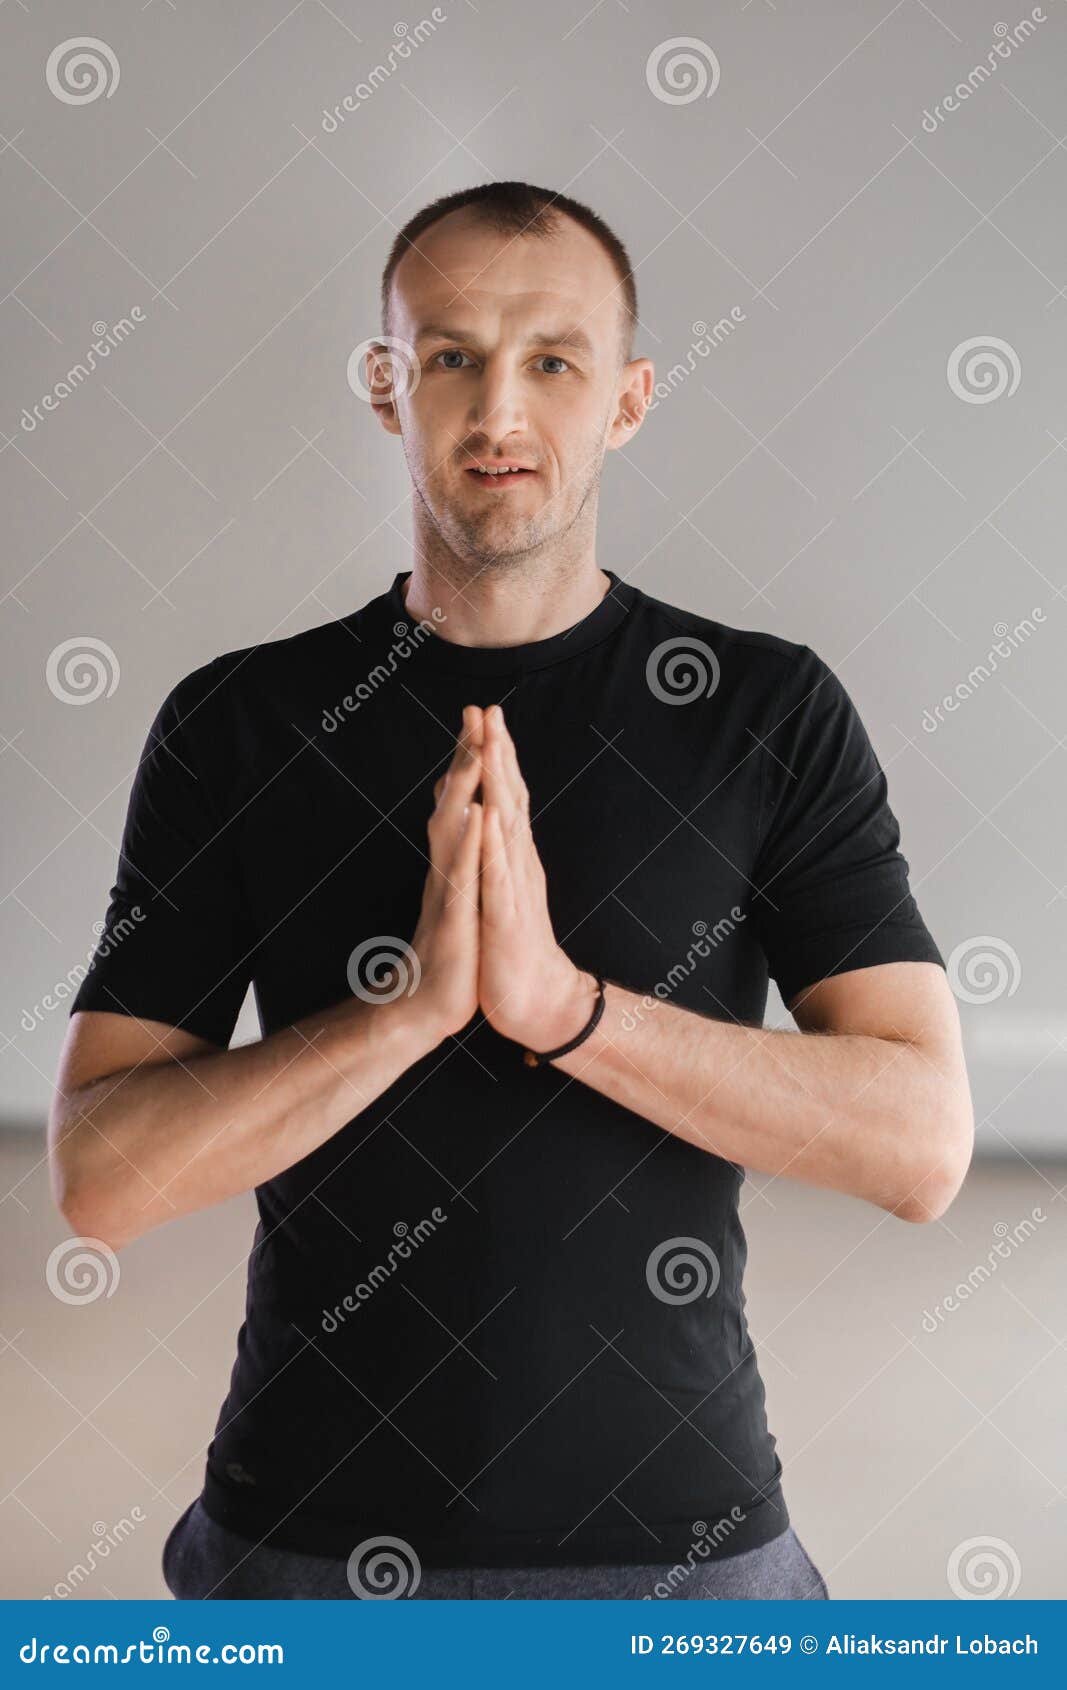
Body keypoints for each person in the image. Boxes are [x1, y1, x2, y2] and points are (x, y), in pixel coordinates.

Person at [48, 182, 973, 1601]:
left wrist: (567, 1010)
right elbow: (103, 1181)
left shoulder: (762, 712)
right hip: (300, 1552)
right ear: (386, 386)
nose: (498, 411)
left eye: (553, 360)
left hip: (686, 1560)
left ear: (628, 399)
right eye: (450, 356)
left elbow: (921, 1146)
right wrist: (405, 1016)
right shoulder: (242, 722)